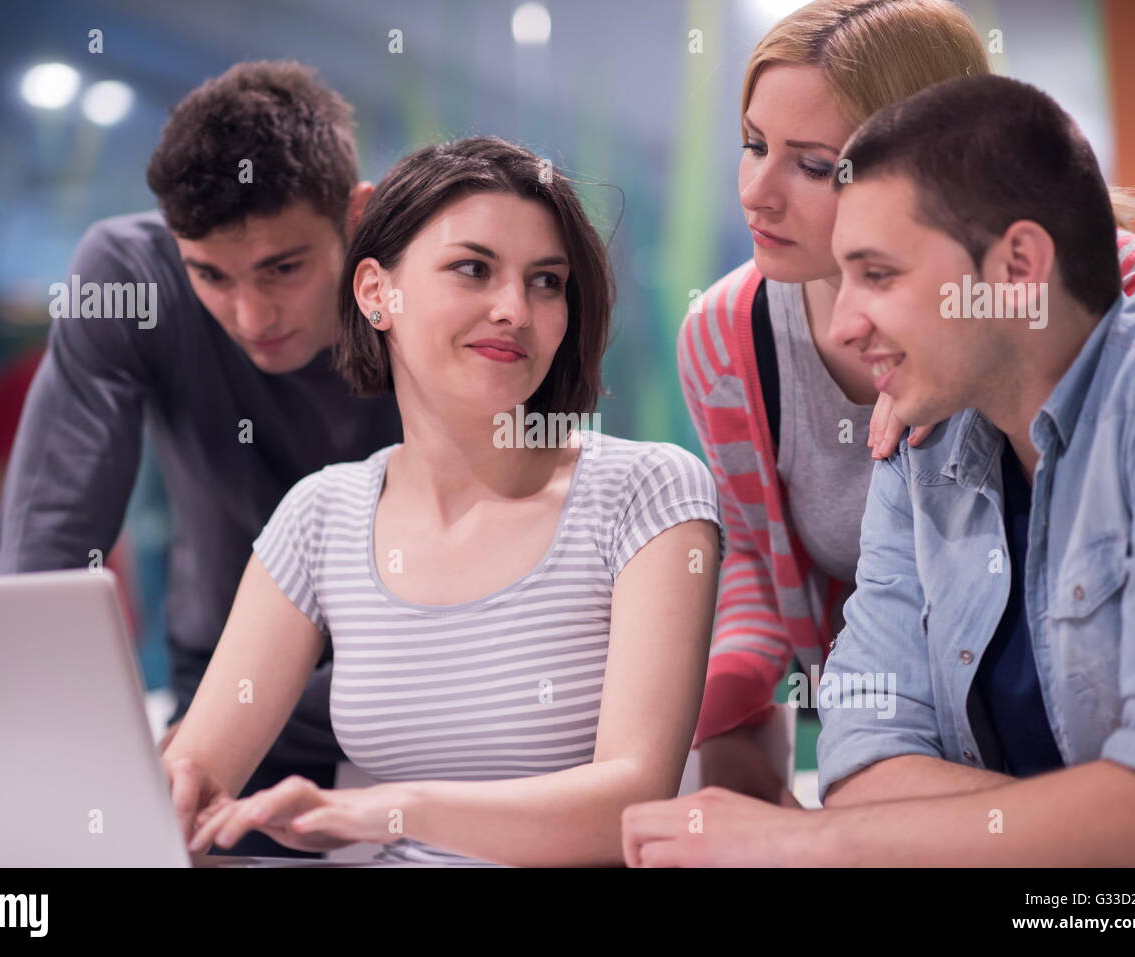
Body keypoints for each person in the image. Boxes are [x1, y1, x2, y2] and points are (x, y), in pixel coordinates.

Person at [622, 73, 1135, 866]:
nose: (848, 324)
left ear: (1018, 265)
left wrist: (806, 842)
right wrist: (1100, 822)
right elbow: (861, 756)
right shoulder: (918, 440)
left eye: (879, 275)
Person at [163, 136, 724, 866]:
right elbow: (198, 775)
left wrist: (389, 809)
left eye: (547, 281)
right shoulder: (321, 515)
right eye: (473, 269)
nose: (515, 309)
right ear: (375, 293)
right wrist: (167, 796)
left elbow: (631, 803)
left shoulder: (648, 492)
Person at [0, 61, 402, 858]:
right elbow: (45, 551)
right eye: (209, 273)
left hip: (420, 692)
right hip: (217, 686)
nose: (250, 315)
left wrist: (210, 735)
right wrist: (2, 752)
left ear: (358, 216)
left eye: (283, 268)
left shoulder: (429, 291)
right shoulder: (127, 277)